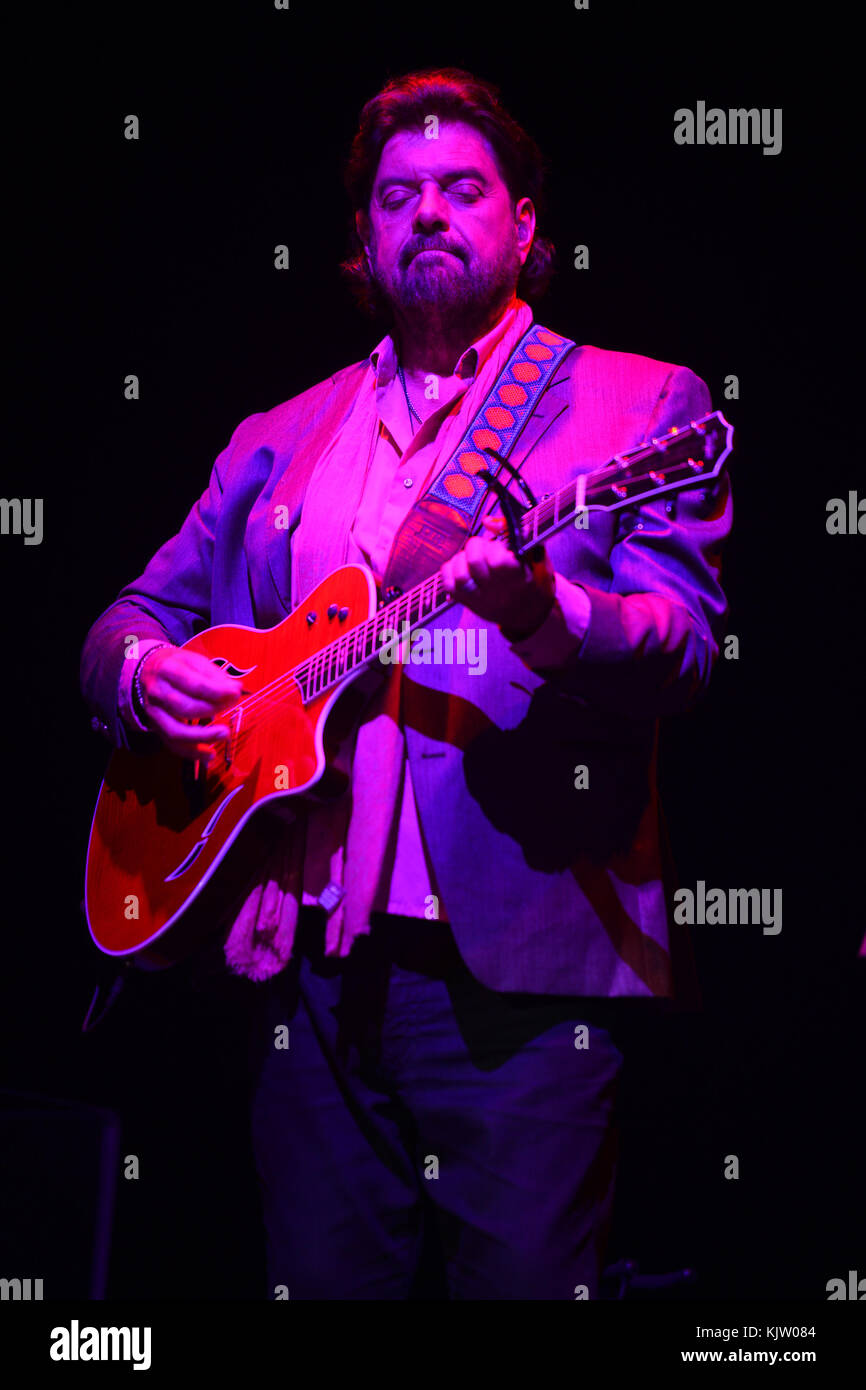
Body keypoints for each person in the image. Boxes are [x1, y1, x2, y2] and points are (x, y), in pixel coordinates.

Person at [80, 67, 732, 1300]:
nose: (426, 211)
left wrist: (549, 612)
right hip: (309, 970)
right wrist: (143, 669)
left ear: (523, 226)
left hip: (520, 977)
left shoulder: (636, 404)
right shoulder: (281, 431)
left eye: (460, 189)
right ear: (363, 239)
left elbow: (684, 648)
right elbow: (128, 619)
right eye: (395, 196)